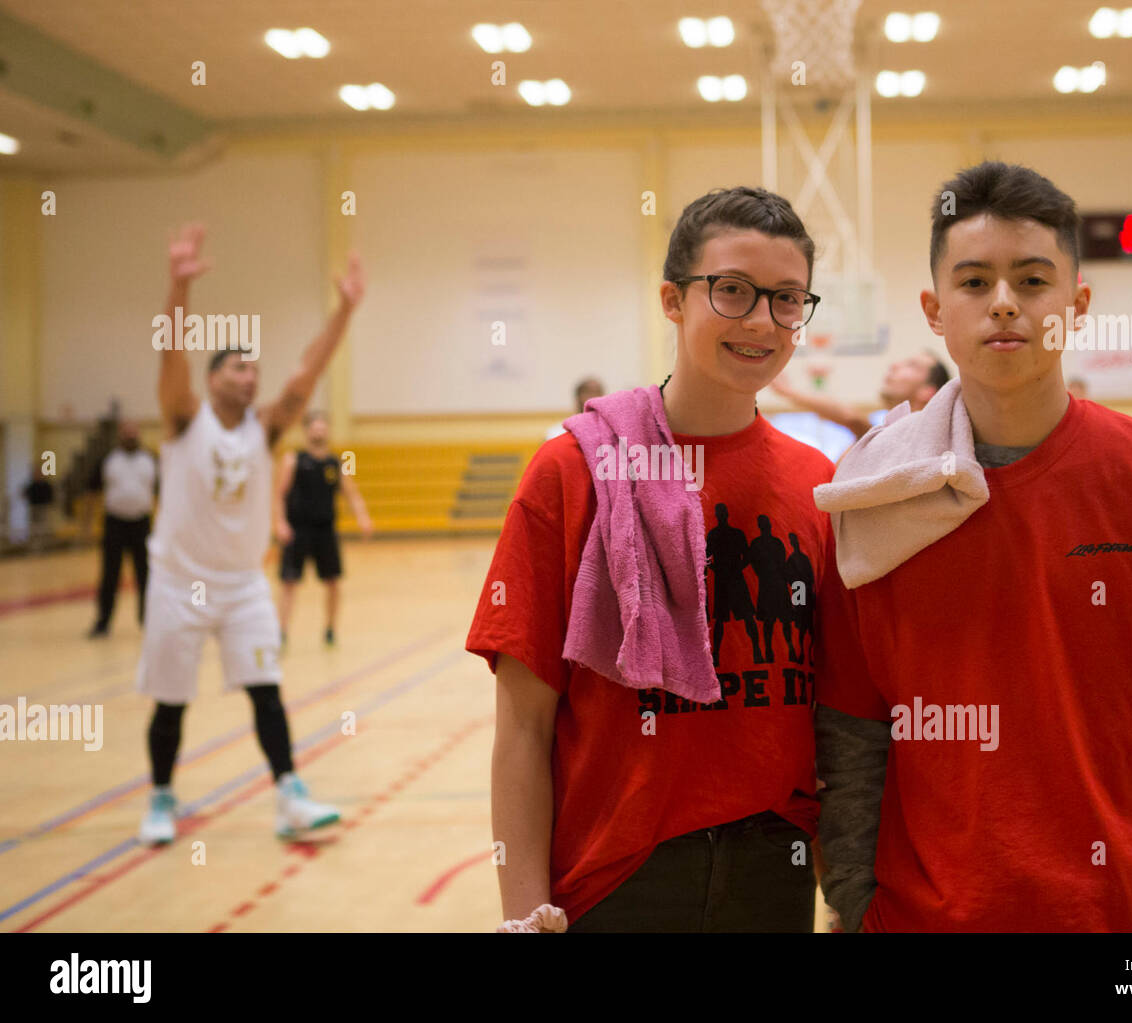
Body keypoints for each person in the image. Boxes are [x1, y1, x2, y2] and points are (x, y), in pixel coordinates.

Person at [815, 161, 1132, 933]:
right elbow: (851, 742)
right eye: (974, 282)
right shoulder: (874, 494)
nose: (1004, 303)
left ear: (1077, 304)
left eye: (1032, 280)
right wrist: (857, 901)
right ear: (935, 311)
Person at [467, 186, 864, 932]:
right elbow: (522, 727)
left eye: (786, 299)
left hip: (772, 870)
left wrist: (845, 884)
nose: (761, 321)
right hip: (615, 877)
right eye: (733, 291)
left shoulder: (818, 483)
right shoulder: (573, 471)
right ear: (673, 300)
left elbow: (837, 719)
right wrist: (522, 913)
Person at [136, 223, 362, 846]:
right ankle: (160, 797)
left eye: (253, 368)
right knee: (171, 703)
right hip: (179, 584)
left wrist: (344, 312)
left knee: (267, 691)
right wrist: (178, 286)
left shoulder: (263, 431)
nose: (250, 375)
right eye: (238, 367)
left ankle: (289, 794)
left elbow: (306, 375)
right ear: (213, 380)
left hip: (241, 584)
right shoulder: (185, 420)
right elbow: (170, 356)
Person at [275, 410, 373, 646]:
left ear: (327, 430)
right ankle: (281, 630)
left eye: (322, 427)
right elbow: (278, 494)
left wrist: (363, 516)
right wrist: (280, 522)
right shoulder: (292, 459)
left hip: (326, 530)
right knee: (289, 581)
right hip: (298, 530)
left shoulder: (336, 463)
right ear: (306, 430)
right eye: (314, 427)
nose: (319, 431)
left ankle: (330, 629)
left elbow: (352, 493)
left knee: (332, 582)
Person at [770, 351, 949, 437]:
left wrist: (789, 392)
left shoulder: (928, 435)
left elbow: (852, 419)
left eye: (911, 365)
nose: (894, 366)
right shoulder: (881, 420)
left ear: (928, 391)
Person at [88, 419, 156, 637]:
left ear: (139, 435)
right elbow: (92, 491)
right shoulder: (108, 460)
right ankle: (103, 622)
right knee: (109, 575)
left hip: (142, 524)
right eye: (126, 434)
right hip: (114, 524)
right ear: (120, 436)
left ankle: (148, 621)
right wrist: (87, 524)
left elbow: (163, 492)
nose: (130, 437)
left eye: (133, 433)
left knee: (145, 575)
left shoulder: (150, 460)